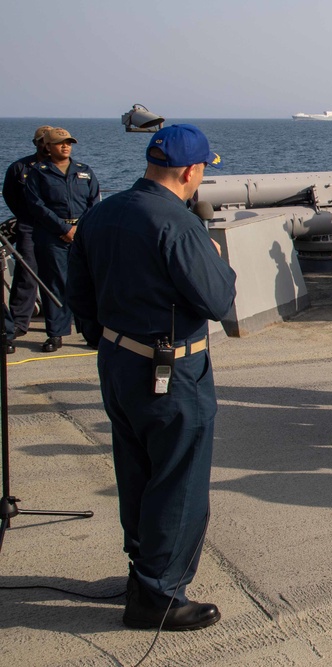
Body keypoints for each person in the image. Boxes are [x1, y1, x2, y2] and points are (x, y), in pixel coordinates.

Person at [66, 124, 236, 630]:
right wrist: (219, 262)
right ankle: (158, 595)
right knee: (178, 481)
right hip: (171, 368)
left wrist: (109, 342)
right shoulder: (179, 224)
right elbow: (218, 301)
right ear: (191, 170)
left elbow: (79, 292)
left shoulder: (103, 212)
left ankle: (142, 574)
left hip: (119, 361)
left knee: (137, 473)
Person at [23, 128, 101, 352]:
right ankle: (56, 333)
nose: (65, 147)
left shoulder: (84, 171)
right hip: (52, 235)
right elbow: (37, 206)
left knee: (86, 283)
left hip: (81, 234)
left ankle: (91, 333)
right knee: (56, 284)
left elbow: (94, 202)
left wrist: (80, 228)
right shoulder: (39, 173)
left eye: (68, 143)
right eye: (59, 143)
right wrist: (63, 228)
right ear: (48, 147)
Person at [3, 124, 52, 346]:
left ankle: (62, 324)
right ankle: (19, 322)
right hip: (29, 227)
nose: (48, 145)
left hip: (60, 229)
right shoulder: (19, 168)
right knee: (27, 274)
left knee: (62, 275)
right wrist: (26, 218)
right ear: (37, 143)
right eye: (44, 141)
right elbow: (11, 196)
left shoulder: (66, 168)